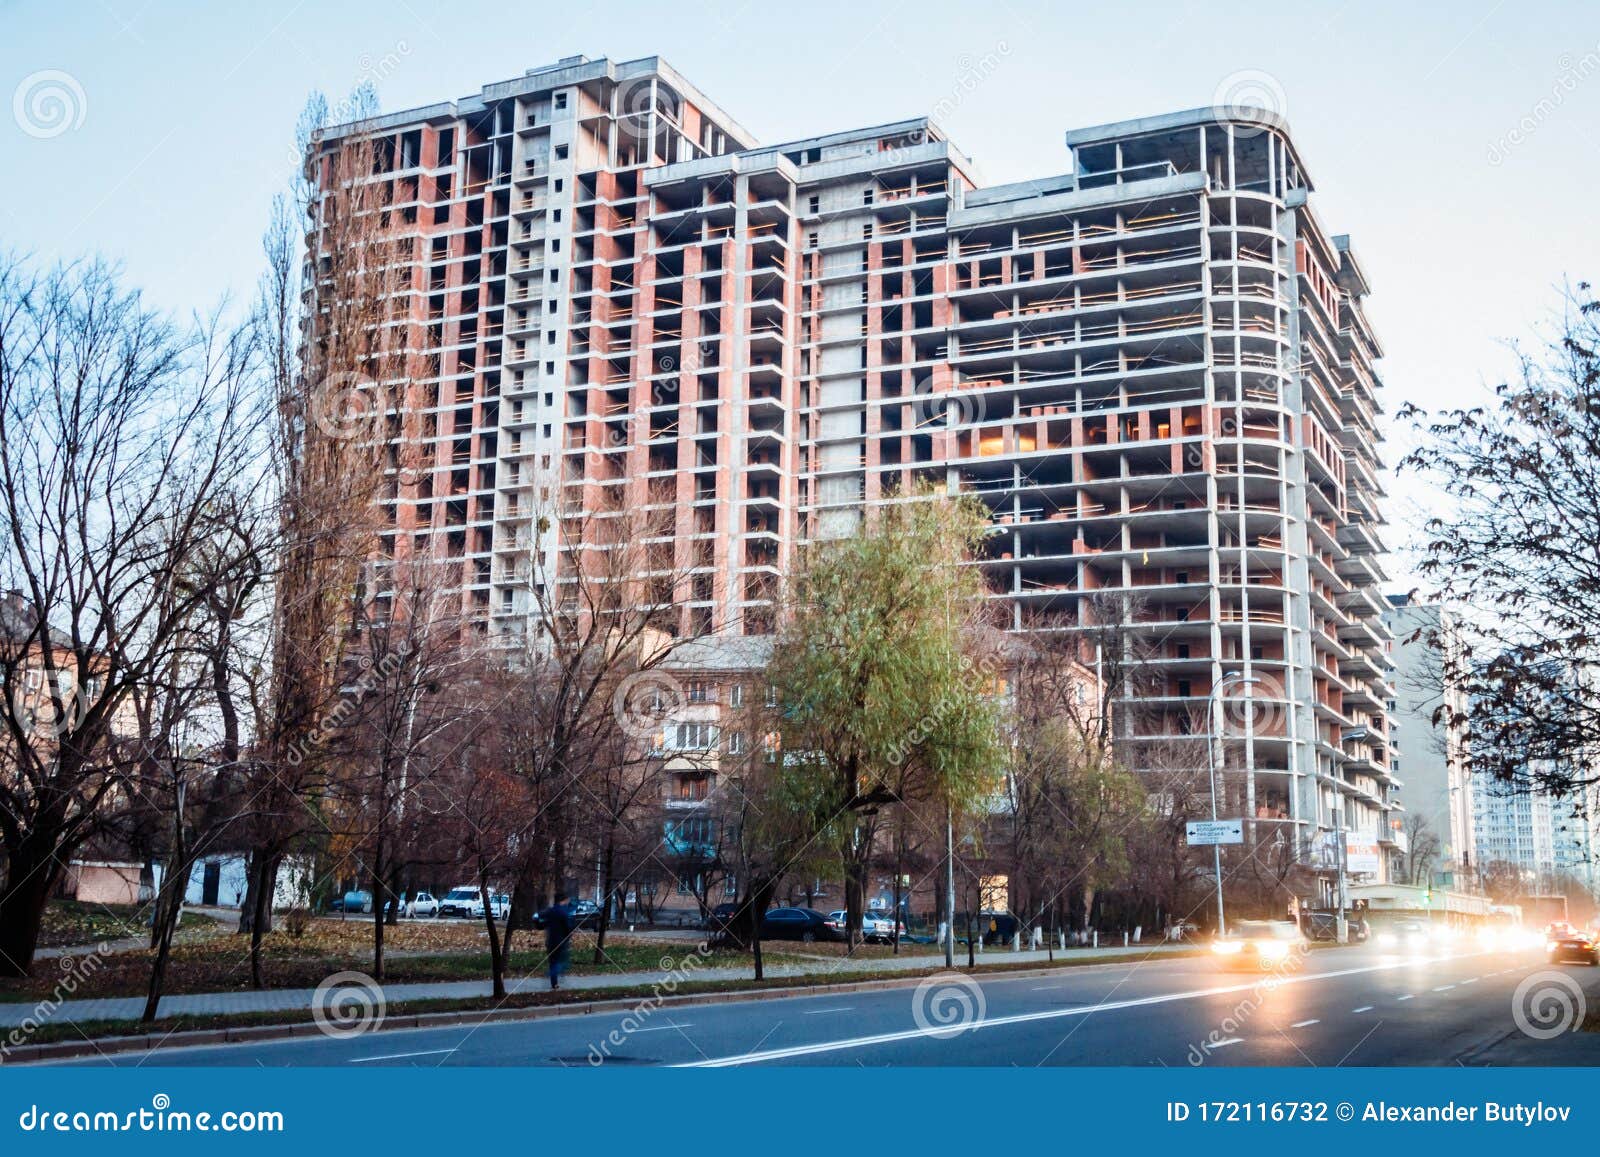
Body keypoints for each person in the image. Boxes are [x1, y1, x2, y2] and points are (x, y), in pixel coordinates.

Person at [539, 893, 574, 990]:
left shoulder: (550, 911)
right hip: (561, 941)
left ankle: (554, 984)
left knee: (553, 961)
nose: (568, 902)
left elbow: (542, 923)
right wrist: (569, 935)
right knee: (563, 962)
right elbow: (568, 928)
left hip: (550, 941)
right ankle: (552, 973)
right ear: (563, 900)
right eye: (567, 900)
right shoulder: (563, 912)